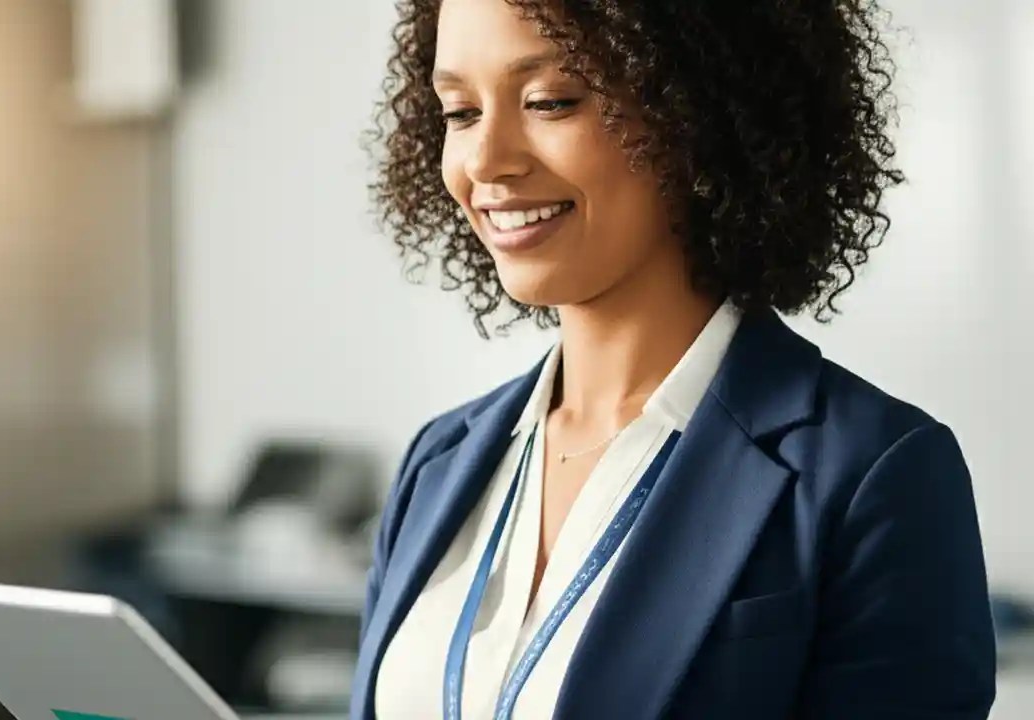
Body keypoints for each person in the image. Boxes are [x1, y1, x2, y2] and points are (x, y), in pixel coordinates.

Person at [350, 0, 997, 719]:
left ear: (694, 109)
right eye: (460, 112)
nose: (486, 161)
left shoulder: (874, 475)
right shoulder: (438, 463)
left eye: (550, 101)